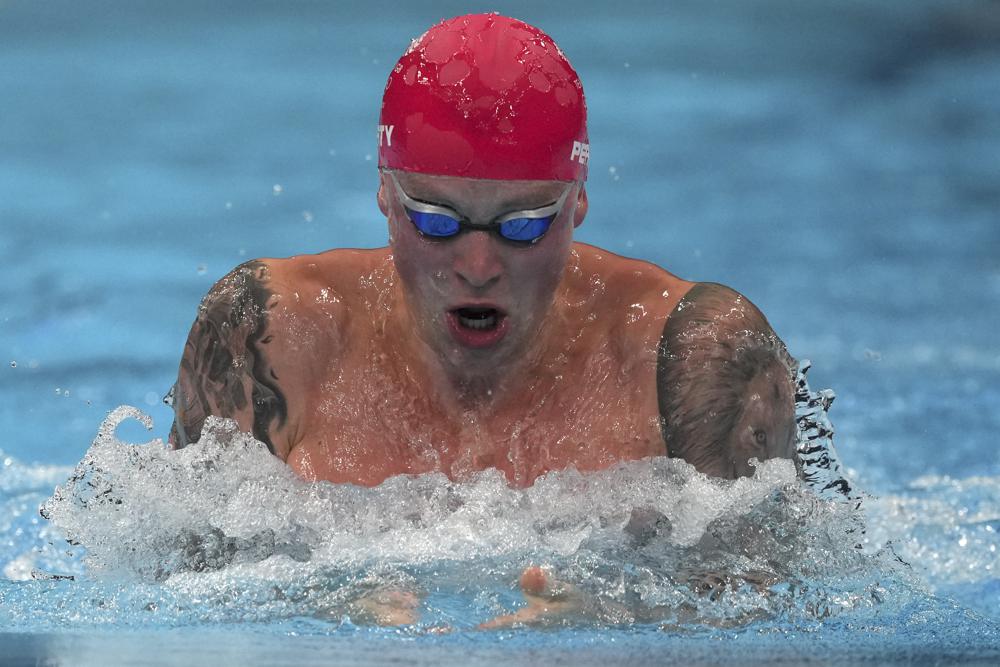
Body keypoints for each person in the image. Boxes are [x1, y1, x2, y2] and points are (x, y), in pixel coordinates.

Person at [168, 13, 797, 490]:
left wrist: (602, 614)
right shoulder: (269, 337)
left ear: (577, 201)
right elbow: (176, 585)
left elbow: (771, 605)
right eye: (437, 221)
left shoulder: (686, 357)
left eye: (522, 226)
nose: (477, 266)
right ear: (385, 195)